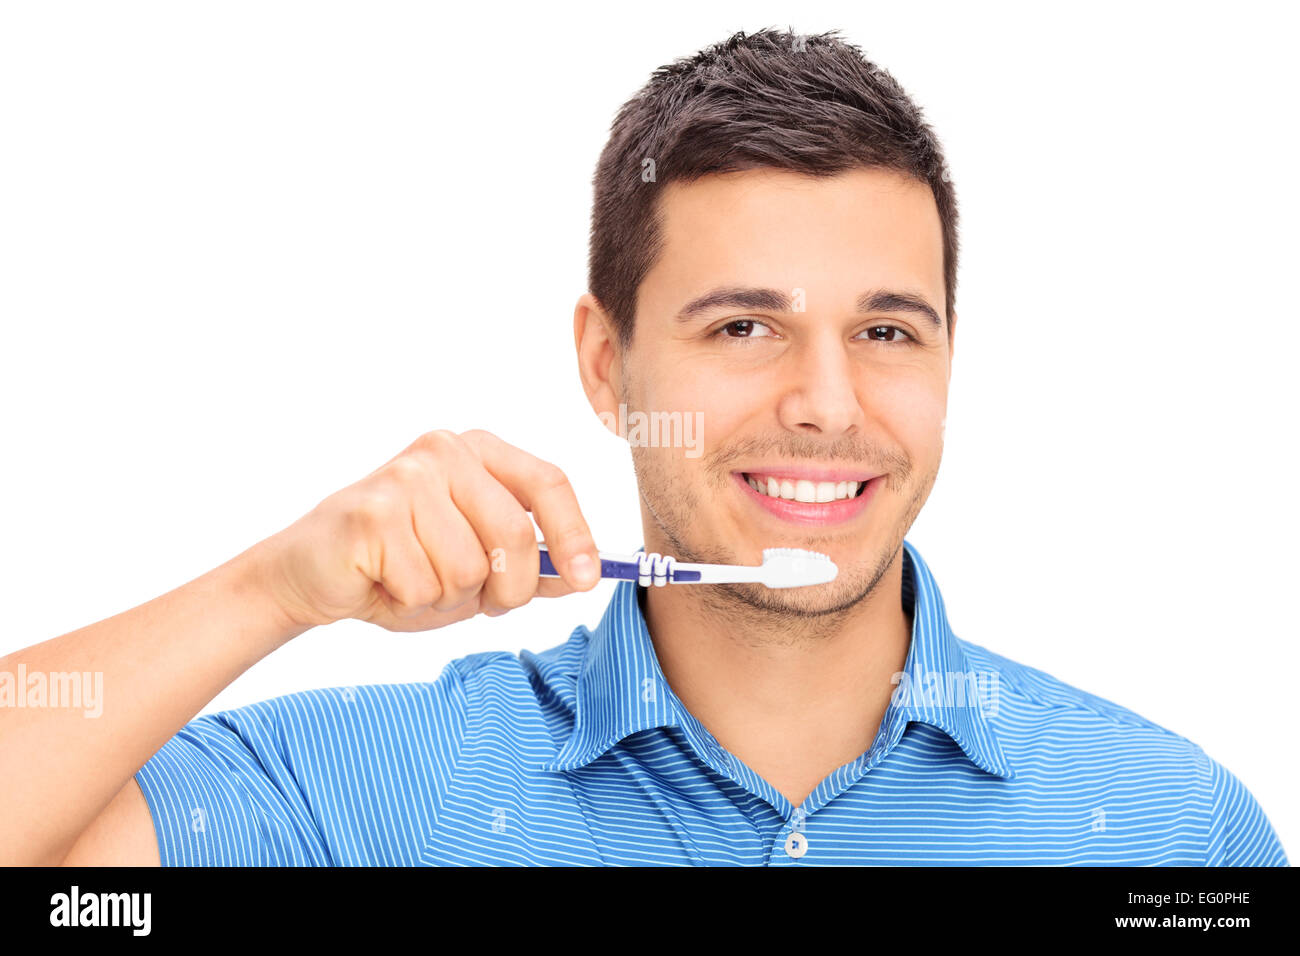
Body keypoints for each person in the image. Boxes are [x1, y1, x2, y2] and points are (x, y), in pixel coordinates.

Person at [1, 27, 1286, 866]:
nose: (826, 403)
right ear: (607, 367)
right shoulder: (360, 798)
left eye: (888, 330)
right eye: (744, 325)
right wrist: (267, 588)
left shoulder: (1172, 832)